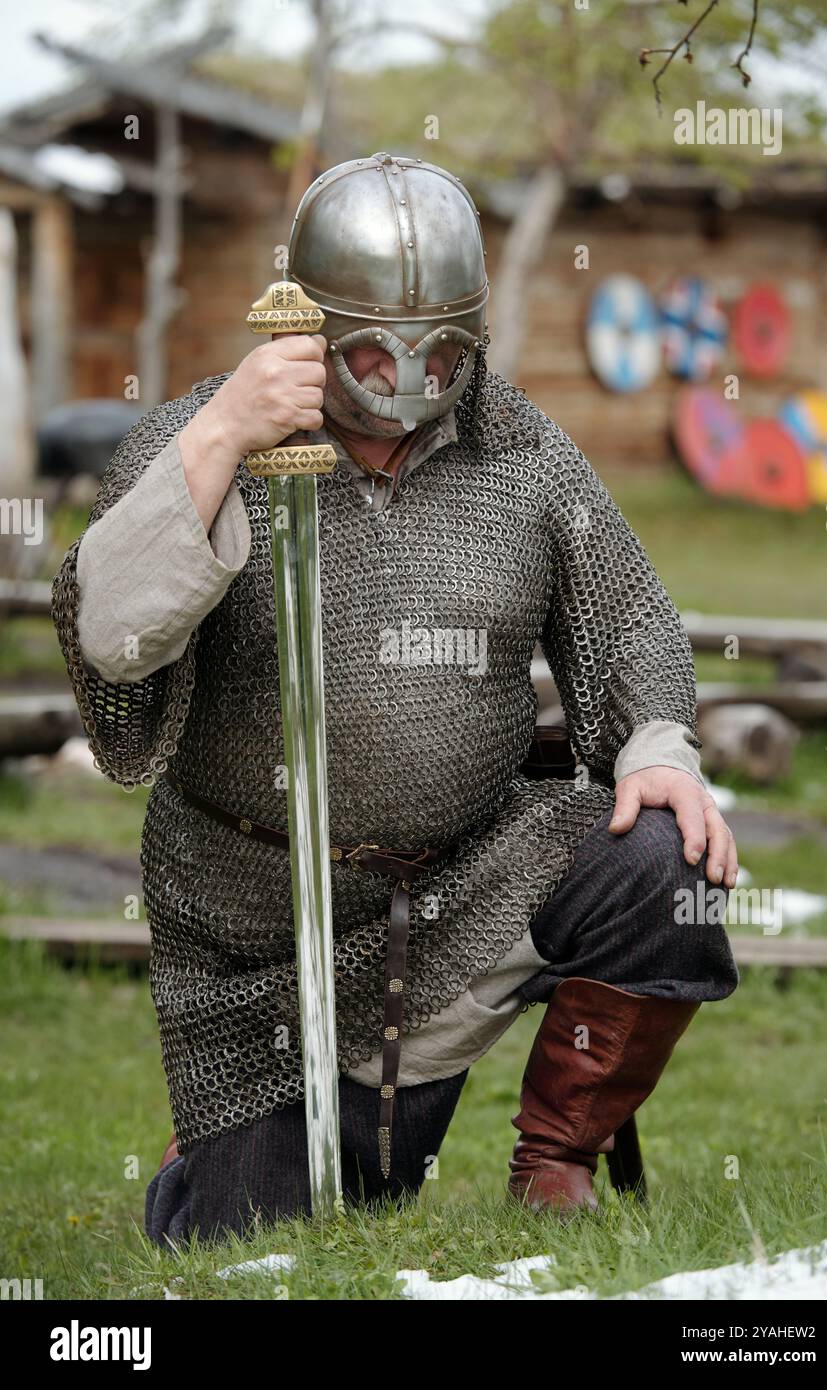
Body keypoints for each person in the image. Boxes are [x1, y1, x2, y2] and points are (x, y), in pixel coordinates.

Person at [52, 152, 738, 1246]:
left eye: (443, 351)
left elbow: (632, 618)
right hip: (262, 940)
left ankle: (554, 1165)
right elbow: (113, 638)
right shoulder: (201, 437)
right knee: (254, 1238)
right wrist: (229, 434)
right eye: (370, 349)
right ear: (308, 331)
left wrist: (656, 744)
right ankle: (211, 1156)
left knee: (666, 861)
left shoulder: (516, 446)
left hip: (470, 889)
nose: (407, 380)